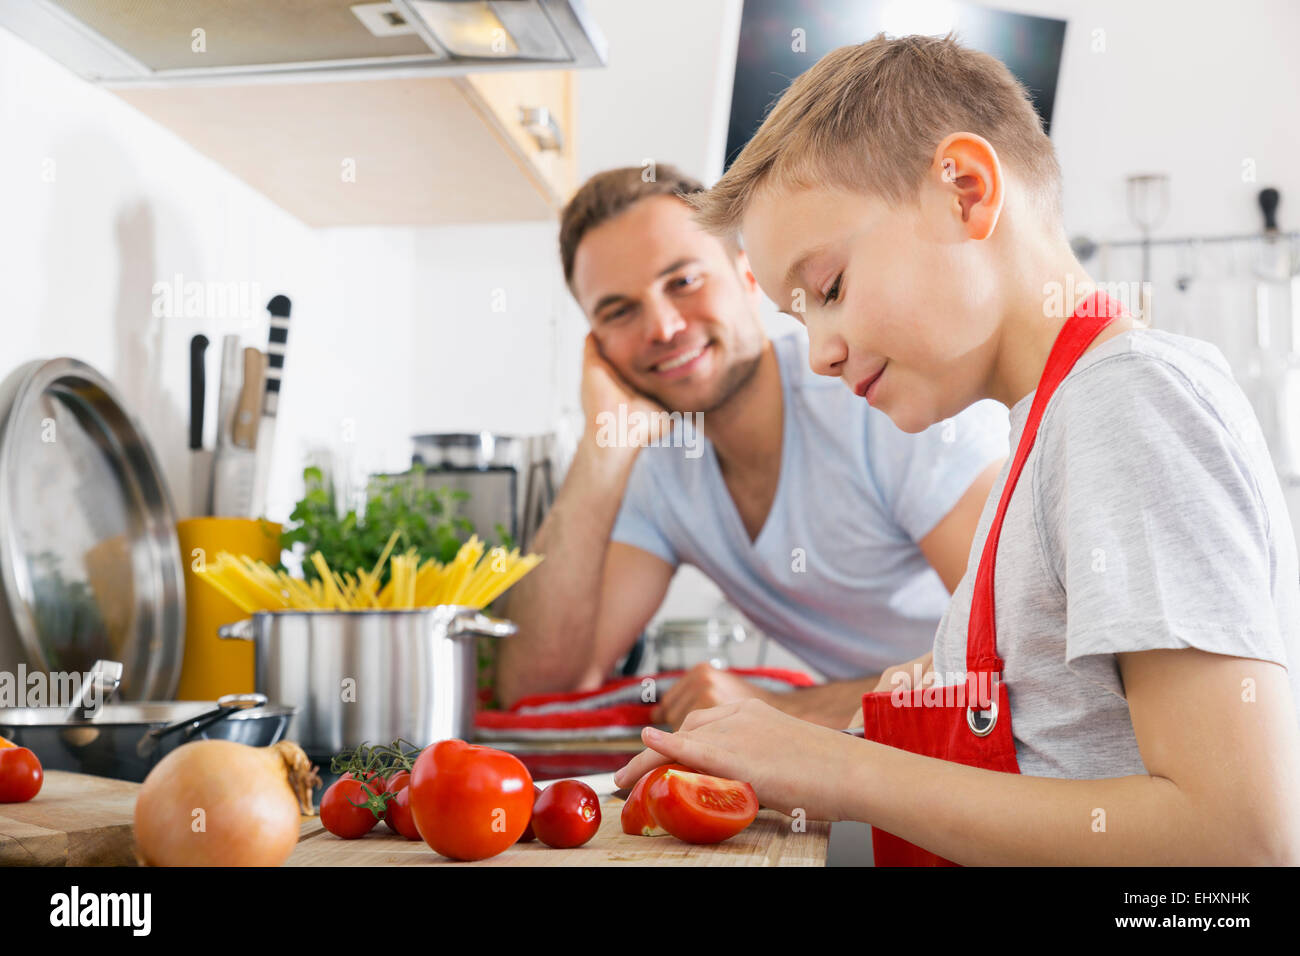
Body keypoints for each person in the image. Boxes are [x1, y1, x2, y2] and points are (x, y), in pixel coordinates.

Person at [614, 33, 1300, 865]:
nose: (821, 351)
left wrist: (835, 762)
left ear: (965, 192)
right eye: (800, 319)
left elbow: (1237, 839)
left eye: (829, 288)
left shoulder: (1126, 402)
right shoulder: (1049, 429)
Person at [496, 164, 1011, 729]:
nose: (664, 327)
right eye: (619, 311)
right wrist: (602, 447)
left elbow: (1013, 652)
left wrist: (784, 710)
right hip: (883, 755)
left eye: (684, 281)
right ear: (598, 346)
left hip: (1003, 751)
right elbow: (536, 690)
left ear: (746, 275)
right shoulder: (661, 471)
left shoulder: (873, 402)